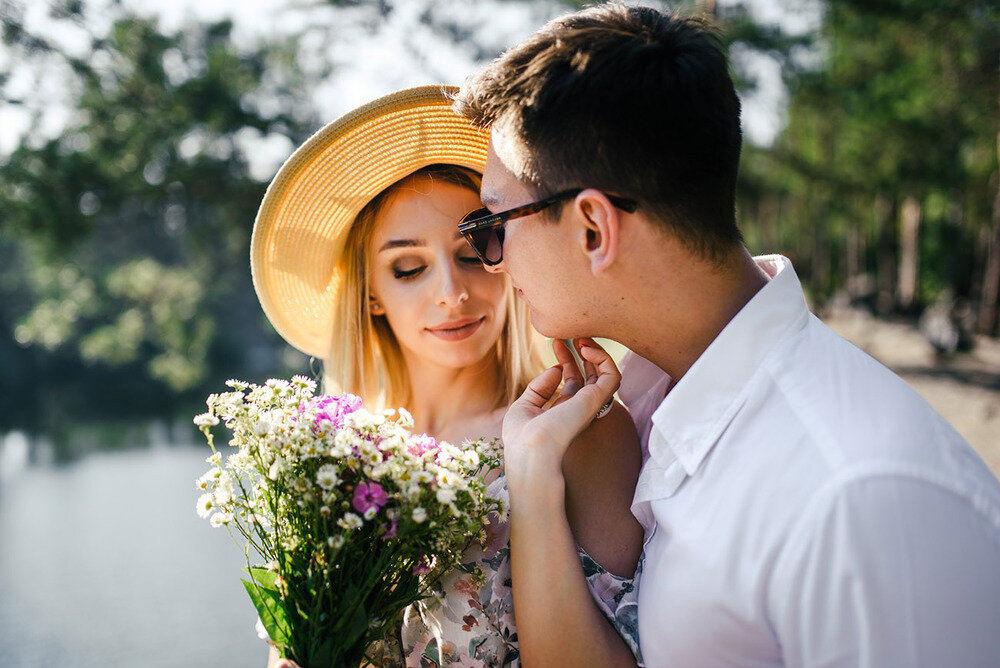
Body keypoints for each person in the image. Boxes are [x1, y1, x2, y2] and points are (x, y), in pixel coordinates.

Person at [452, 3, 1000, 666]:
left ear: (593, 229)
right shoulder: (649, 408)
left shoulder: (859, 499)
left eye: (496, 223)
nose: (497, 258)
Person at [250, 86, 644, 667]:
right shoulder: (331, 460)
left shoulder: (579, 431)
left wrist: (533, 479)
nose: (452, 295)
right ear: (372, 295)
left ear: (506, 253)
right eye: (408, 268)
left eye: (473, 250)